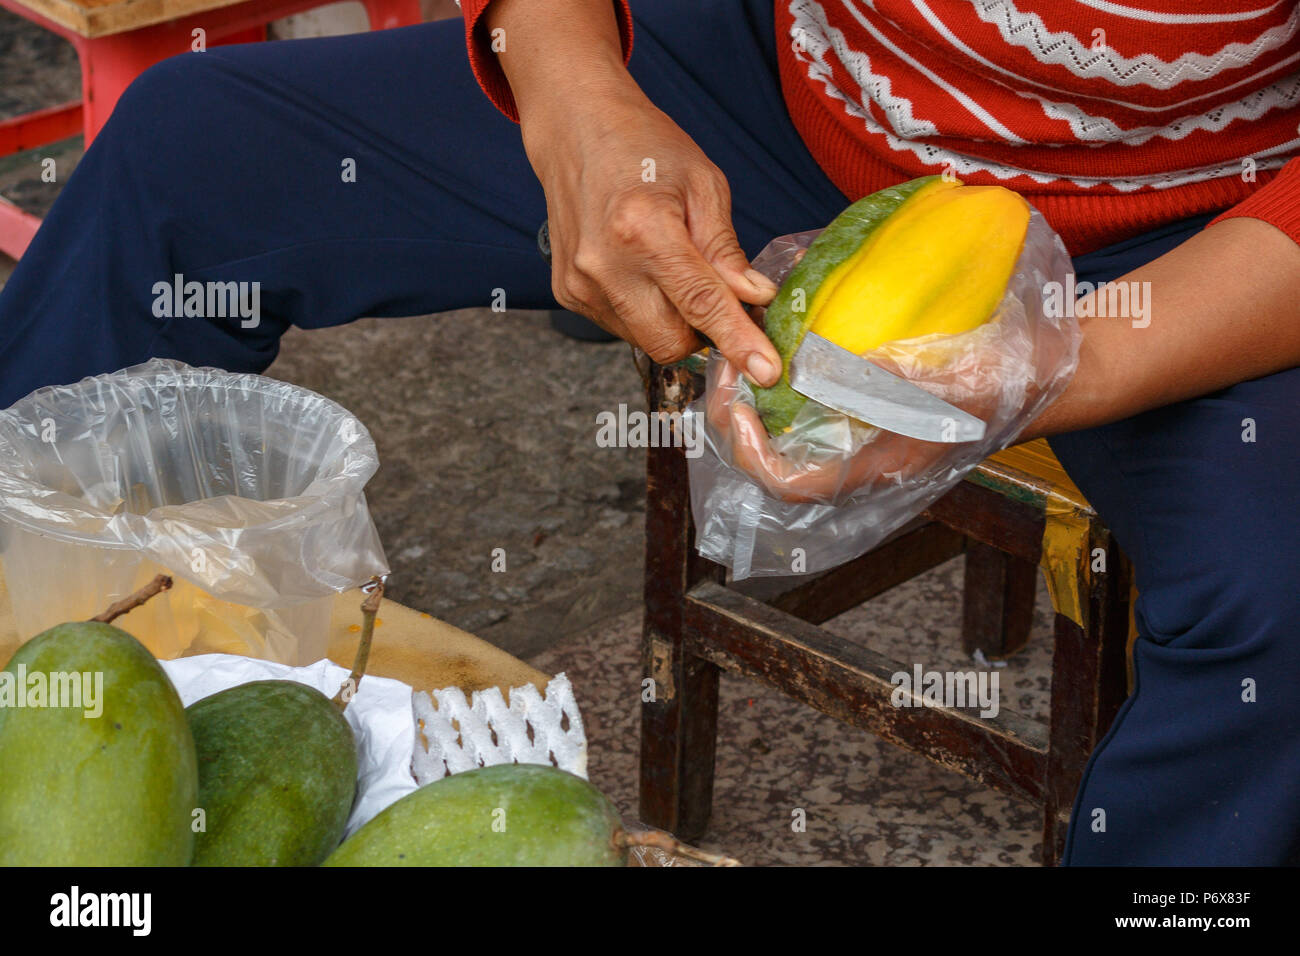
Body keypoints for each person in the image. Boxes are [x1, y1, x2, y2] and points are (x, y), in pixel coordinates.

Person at [0, 0, 1297, 865]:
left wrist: (1060, 364)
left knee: (1279, 620)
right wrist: (567, 79)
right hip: (778, 88)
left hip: (1199, 223)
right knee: (184, 161)